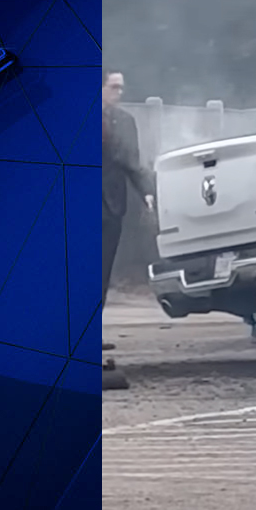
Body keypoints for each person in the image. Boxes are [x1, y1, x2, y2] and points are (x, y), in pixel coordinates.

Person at [102, 69, 156, 350]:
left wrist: (147, 192)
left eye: (122, 88)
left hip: (111, 205)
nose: (119, 93)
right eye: (114, 87)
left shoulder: (125, 121)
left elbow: (133, 163)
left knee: (101, 271)